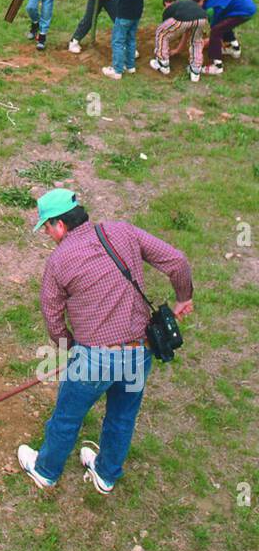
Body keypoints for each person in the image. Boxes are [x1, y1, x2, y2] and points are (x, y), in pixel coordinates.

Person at [18, 190, 194, 494]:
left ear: (60, 224)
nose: (46, 232)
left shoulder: (59, 261)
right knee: (122, 416)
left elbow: (52, 314)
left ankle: (46, 471)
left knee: (67, 417)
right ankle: (106, 474)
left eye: (46, 226)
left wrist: (67, 348)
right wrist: (183, 298)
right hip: (141, 350)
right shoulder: (122, 231)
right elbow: (176, 261)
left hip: (94, 359)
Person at [188, 0, 257, 75]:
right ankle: (234, 49)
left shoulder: (212, 8)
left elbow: (214, 28)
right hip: (243, 6)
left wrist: (205, 42)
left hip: (244, 11)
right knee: (224, 25)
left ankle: (217, 66)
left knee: (216, 31)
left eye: (195, 4)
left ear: (201, 0)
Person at [150, 0, 210, 82]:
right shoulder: (184, 5)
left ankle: (163, 64)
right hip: (202, 18)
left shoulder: (168, 11)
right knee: (196, 41)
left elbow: (166, 33)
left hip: (183, 18)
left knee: (161, 33)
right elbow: (186, 32)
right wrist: (178, 49)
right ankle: (195, 71)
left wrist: (164, 48)